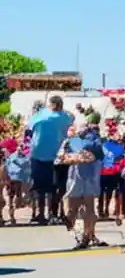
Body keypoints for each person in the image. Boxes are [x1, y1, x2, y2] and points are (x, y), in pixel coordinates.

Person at [27, 95, 75, 225]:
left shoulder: (39, 115)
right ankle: (53, 214)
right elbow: (71, 125)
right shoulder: (66, 117)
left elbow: (29, 129)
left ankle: (42, 214)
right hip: (57, 156)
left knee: (41, 187)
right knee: (57, 187)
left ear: (51, 104)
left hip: (40, 155)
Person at [58, 119, 105, 248]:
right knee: (76, 208)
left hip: (87, 178)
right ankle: (84, 234)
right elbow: (61, 157)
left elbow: (96, 156)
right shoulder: (71, 141)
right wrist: (72, 157)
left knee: (87, 207)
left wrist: (77, 157)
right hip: (77, 178)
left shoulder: (94, 142)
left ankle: (86, 236)